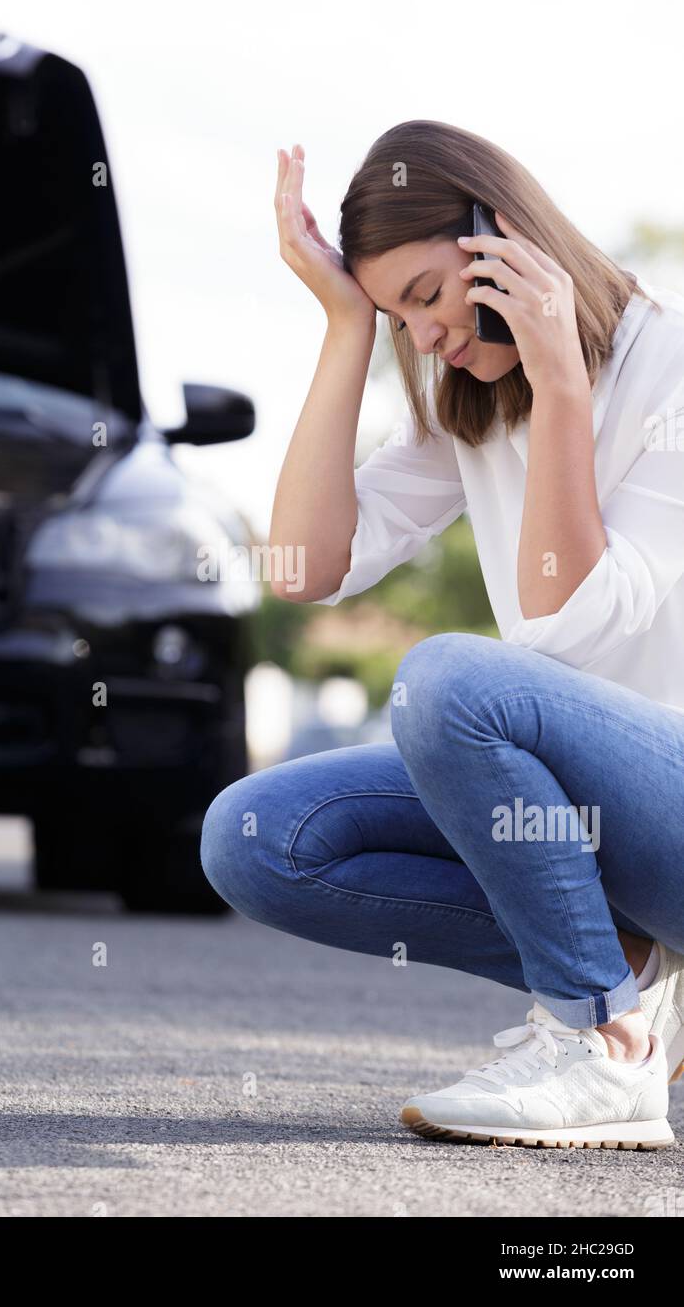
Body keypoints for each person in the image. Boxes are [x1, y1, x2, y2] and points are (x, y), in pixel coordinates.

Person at [199, 120, 684, 1149]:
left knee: (448, 682)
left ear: (501, 238)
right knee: (252, 840)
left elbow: (563, 618)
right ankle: (628, 982)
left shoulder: (671, 367)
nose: (421, 338)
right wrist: (343, 327)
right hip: (596, 821)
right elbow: (301, 569)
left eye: (422, 298)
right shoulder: (471, 405)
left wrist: (560, 384)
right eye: (394, 317)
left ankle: (598, 1045)